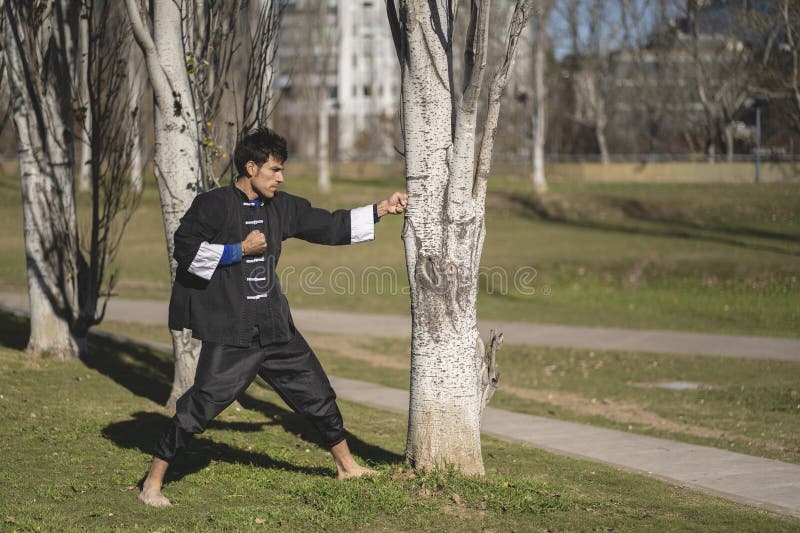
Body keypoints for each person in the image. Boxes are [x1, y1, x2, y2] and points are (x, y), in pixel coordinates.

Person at [139, 128, 408, 507]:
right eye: (274, 170)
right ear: (251, 167)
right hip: (234, 335)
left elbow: (329, 225)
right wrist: (238, 249)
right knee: (199, 406)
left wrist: (382, 208)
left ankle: (347, 467)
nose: (280, 178)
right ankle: (152, 484)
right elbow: (184, 251)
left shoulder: (281, 206)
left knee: (318, 394)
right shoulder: (212, 205)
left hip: (276, 329)